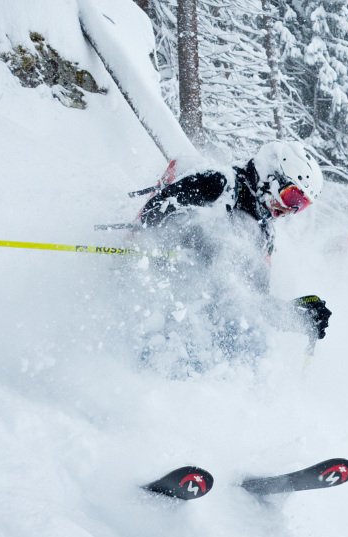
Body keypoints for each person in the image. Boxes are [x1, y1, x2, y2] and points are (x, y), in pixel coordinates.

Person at [126, 140, 332, 375]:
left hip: (203, 334)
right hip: (160, 307)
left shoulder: (264, 234)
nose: (290, 210)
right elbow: (150, 217)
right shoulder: (218, 183)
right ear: (271, 177)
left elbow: (254, 302)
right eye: (292, 197)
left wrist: (294, 315)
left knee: (250, 348)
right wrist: (194, 241)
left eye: (300, 206)